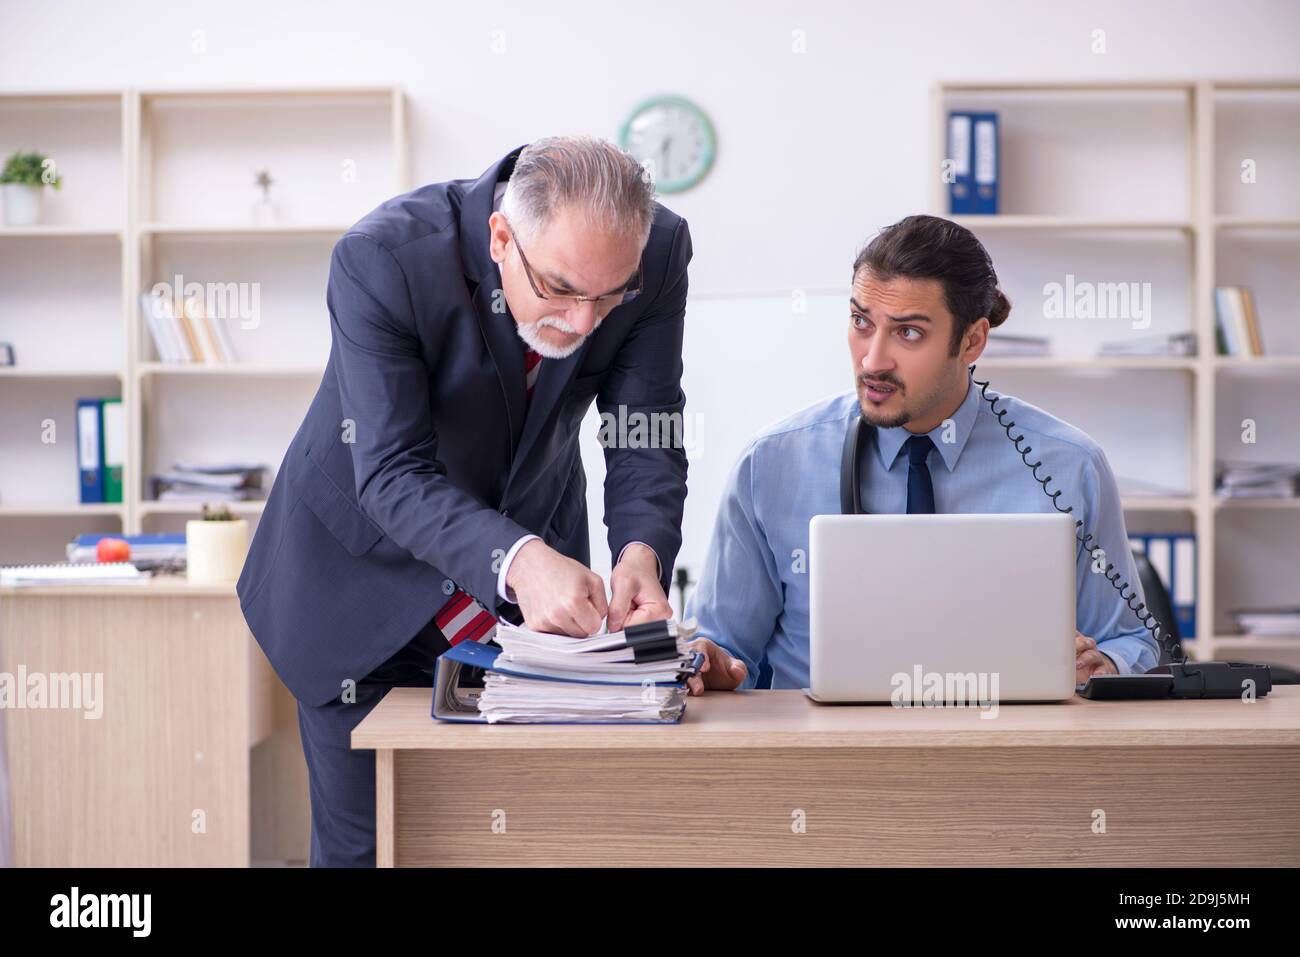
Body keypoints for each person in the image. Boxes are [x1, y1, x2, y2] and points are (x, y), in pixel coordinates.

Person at [237, 137, 692, 865]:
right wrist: (521, 561)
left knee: (525, 841)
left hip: (531, 595)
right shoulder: (384, 260)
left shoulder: (656, 253)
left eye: (609, 297)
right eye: (560, 290)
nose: (584, 323)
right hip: (361, 584)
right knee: (372, 847)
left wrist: (641, 553)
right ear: (501, 238)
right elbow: (391, 470)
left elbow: (645, 428)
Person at [685, 214, 1158, 694]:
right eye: (861, 322)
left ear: (971, 341)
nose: (872, 360)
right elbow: (723, 648)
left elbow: (1129, 640)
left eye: (908, 333)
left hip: (1005, 738)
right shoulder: (771, 464)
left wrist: (1105, 665)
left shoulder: (1069, 466)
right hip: (821, 741)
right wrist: (708, 663)